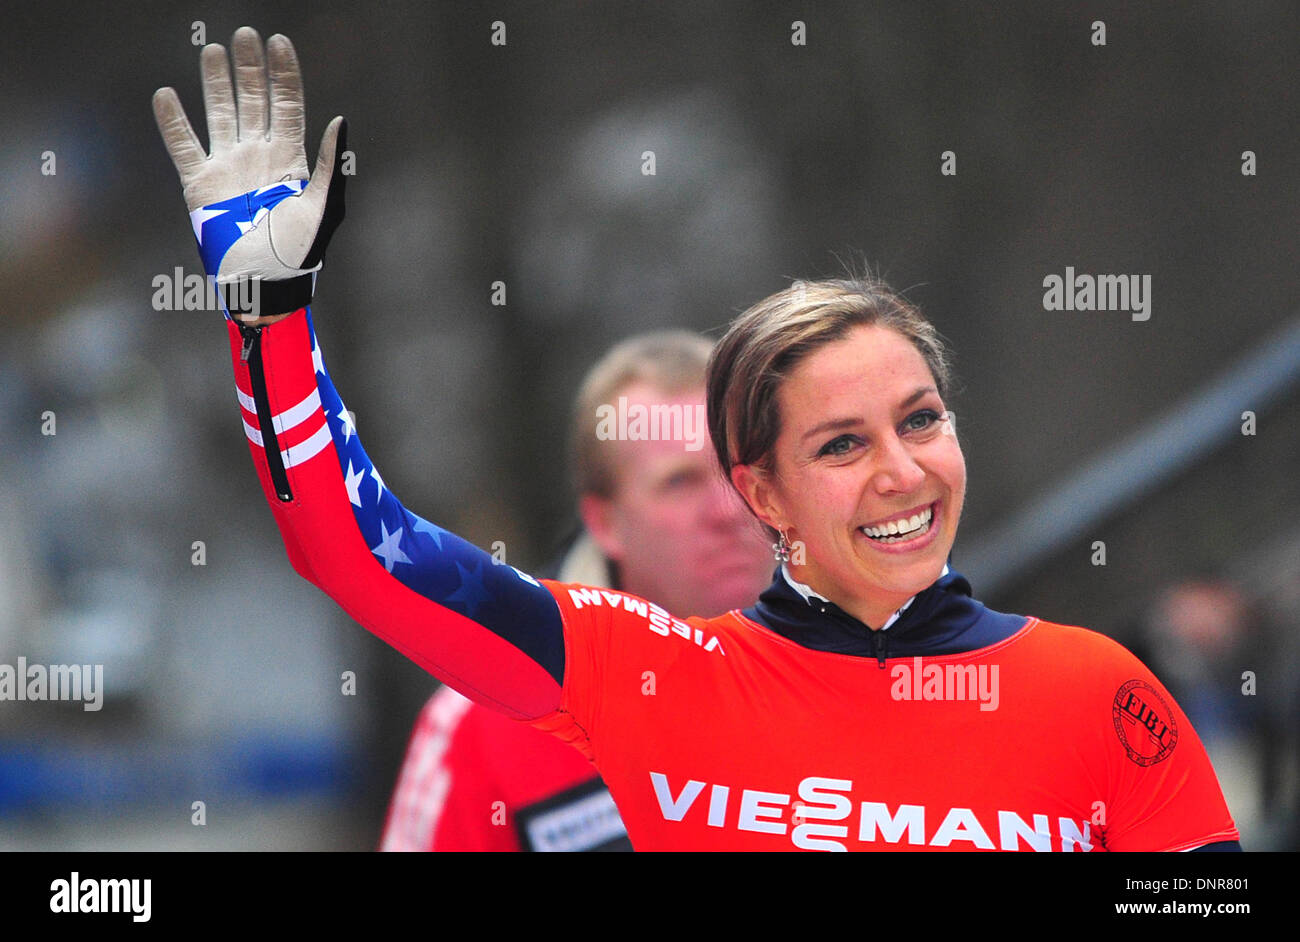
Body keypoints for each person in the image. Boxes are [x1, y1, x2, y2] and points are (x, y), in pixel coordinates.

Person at [153, 28, 1241, 851]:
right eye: (841, 445)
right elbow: (354, 549)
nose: (902, 470)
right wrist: (274, 317)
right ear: (759, 493)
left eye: (921, 420)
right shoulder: (661, 680)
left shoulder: (1100, 697)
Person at [379, 333, 772, 851]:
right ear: (604, 522)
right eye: (680, 482)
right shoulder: (490, 712)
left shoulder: (867, 654)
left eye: (738, 472)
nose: (727, 511)